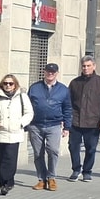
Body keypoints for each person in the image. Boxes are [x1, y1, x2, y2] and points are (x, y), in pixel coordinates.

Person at [0, 74, 33, 195]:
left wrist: (21, 123)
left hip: (15, 133)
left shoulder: (22, 96)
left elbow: (29, 113)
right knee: (3, 159)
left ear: (15, 85)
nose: (8, 86)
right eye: (5, 83)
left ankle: (9, 181)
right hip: (0, 132)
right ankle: (3, 185)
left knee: (10, 159)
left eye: (10, 83)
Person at [26, 63, 71, 191]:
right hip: (35, 125)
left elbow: (67, 108)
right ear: (44, 72)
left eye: (53, 72)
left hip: (54, 125)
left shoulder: (63, 89)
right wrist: (26, 124)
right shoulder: (34, 88)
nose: (50, 74)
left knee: (53, 151)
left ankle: (51, 177)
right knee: (38, 153)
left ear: (57, 73)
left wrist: (67, 127)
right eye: (48, 71)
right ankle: (41, 179)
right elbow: (27, 107)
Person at [66, 55, 100, 182]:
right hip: (75, 121)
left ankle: (87, 171)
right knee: (73, 146)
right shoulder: (75, 82)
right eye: (84, 66)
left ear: (94, 66)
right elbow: (68, 102)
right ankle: (76, 169)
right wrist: (66, 119)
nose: (86, 68)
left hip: (93, 122)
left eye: (88, 66)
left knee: (91, 148)